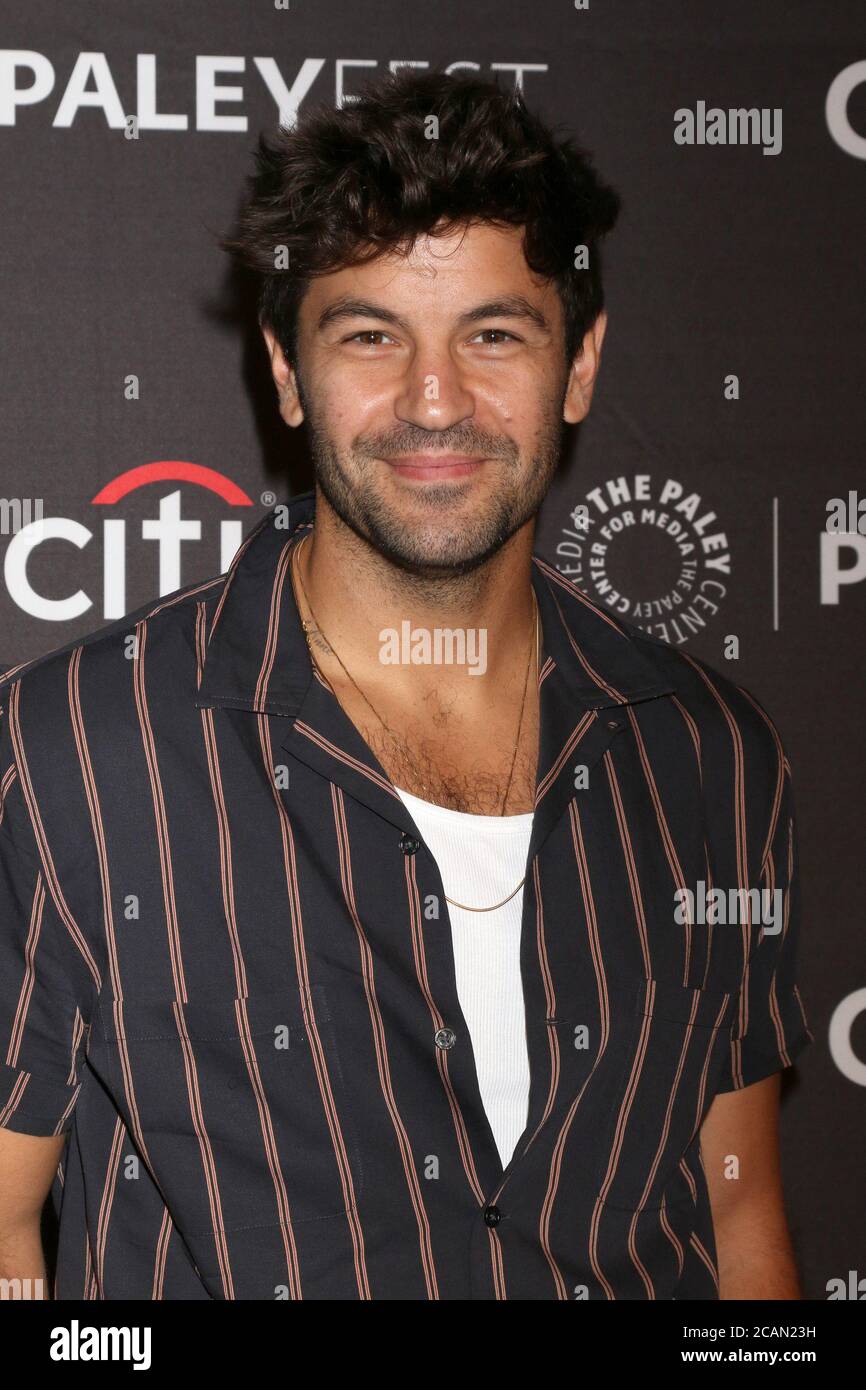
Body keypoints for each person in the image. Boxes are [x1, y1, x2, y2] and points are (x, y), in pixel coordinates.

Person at [0, 69, 811, 1300]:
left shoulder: (712, 756)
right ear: (284, 371)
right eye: (370, 335)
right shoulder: (78, 746)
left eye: (492, 335)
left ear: (578, 366)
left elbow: (740, 1225)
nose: (435, 401)